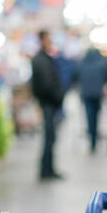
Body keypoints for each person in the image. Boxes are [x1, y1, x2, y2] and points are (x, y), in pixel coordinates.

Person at [30, 30, 65, 181]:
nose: (51, 41)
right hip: (48, 103)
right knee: (49, 137)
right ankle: (46, 170)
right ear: (43, 40)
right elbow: (46, 84)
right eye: (49, 38)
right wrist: (58, 97)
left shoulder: (44, 58)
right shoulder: (41, 60)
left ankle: (48, 168)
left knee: (51, 138)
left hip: (48, 103)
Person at [77, 47, 107, 153]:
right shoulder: (101, 64)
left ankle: (92, 136)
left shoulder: (82, 64)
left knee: (89, 116)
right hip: (97, 95)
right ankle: (94, 137)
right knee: (96, 116)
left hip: (86, 95)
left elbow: (76, 77)